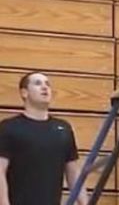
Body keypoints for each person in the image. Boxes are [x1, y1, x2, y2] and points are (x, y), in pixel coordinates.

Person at [0, 72, 89, 205]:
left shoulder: (63, 129)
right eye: (37, 83)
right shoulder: (9, 127)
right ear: (24, 93)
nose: (44, 87)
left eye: (47, 84)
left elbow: (73, 173)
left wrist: (85, 202)